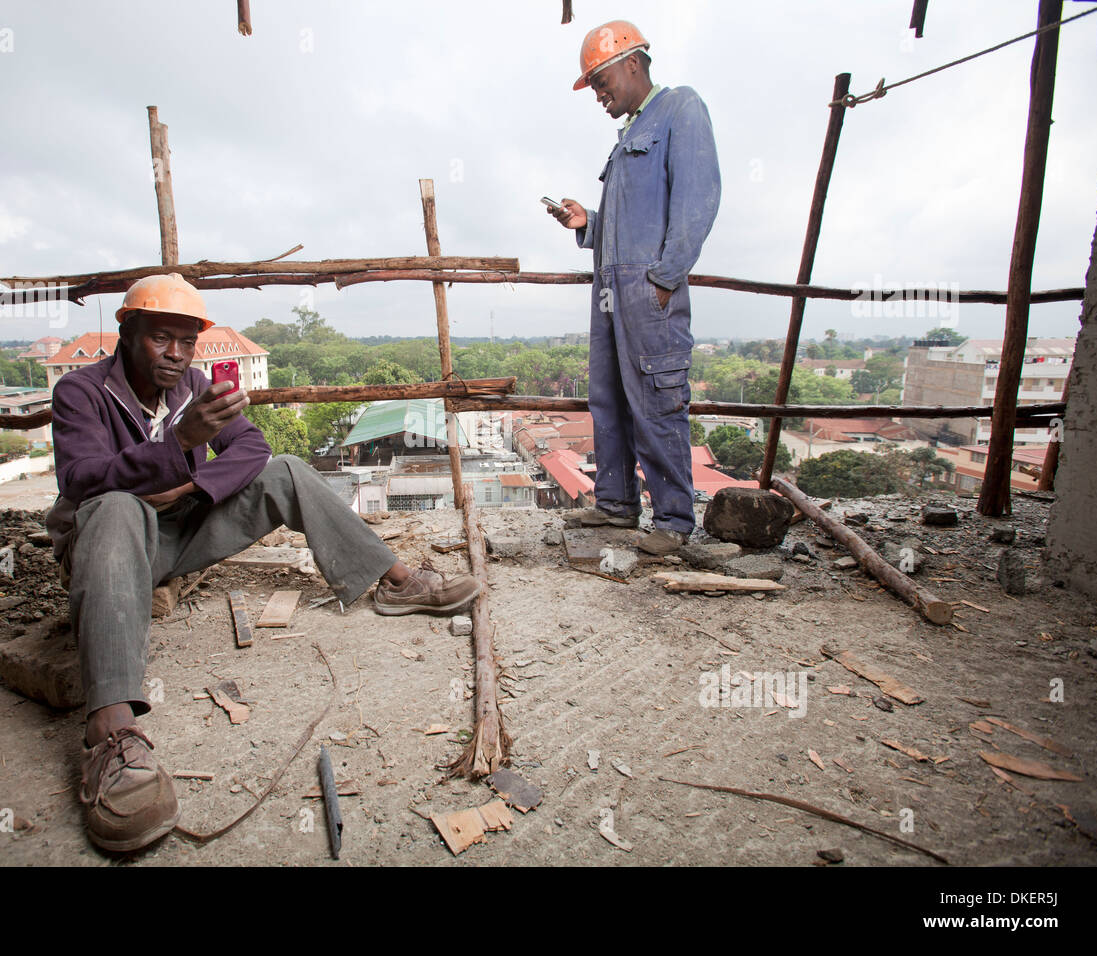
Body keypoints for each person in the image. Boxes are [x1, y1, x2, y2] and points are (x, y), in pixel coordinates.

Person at [45, 273, 481, 852]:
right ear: (128, 332)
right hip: (106, 549)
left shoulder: (191, 387)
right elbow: (80, 480)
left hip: (178, 529)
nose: (176, 354)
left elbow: (252, 448)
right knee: (117, 507)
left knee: (288, 470)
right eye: (160, 339)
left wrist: (192, 484)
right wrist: (174, 448)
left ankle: (393, 580)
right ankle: (112, 732)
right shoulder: (82, 391)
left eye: (186, 341)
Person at [547, 19, 720, 554]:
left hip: (648, 293)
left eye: (601, 82)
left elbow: (698, 200)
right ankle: (617, 506)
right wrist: (588, 223)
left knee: (657, 399)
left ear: (633, 63)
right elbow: (629, 226)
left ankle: (672, 521)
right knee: (611, 399)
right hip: (609, 294)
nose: (599, 95)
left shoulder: (680, 109)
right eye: (593, 87)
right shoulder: (627, 139)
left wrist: (665, 278)